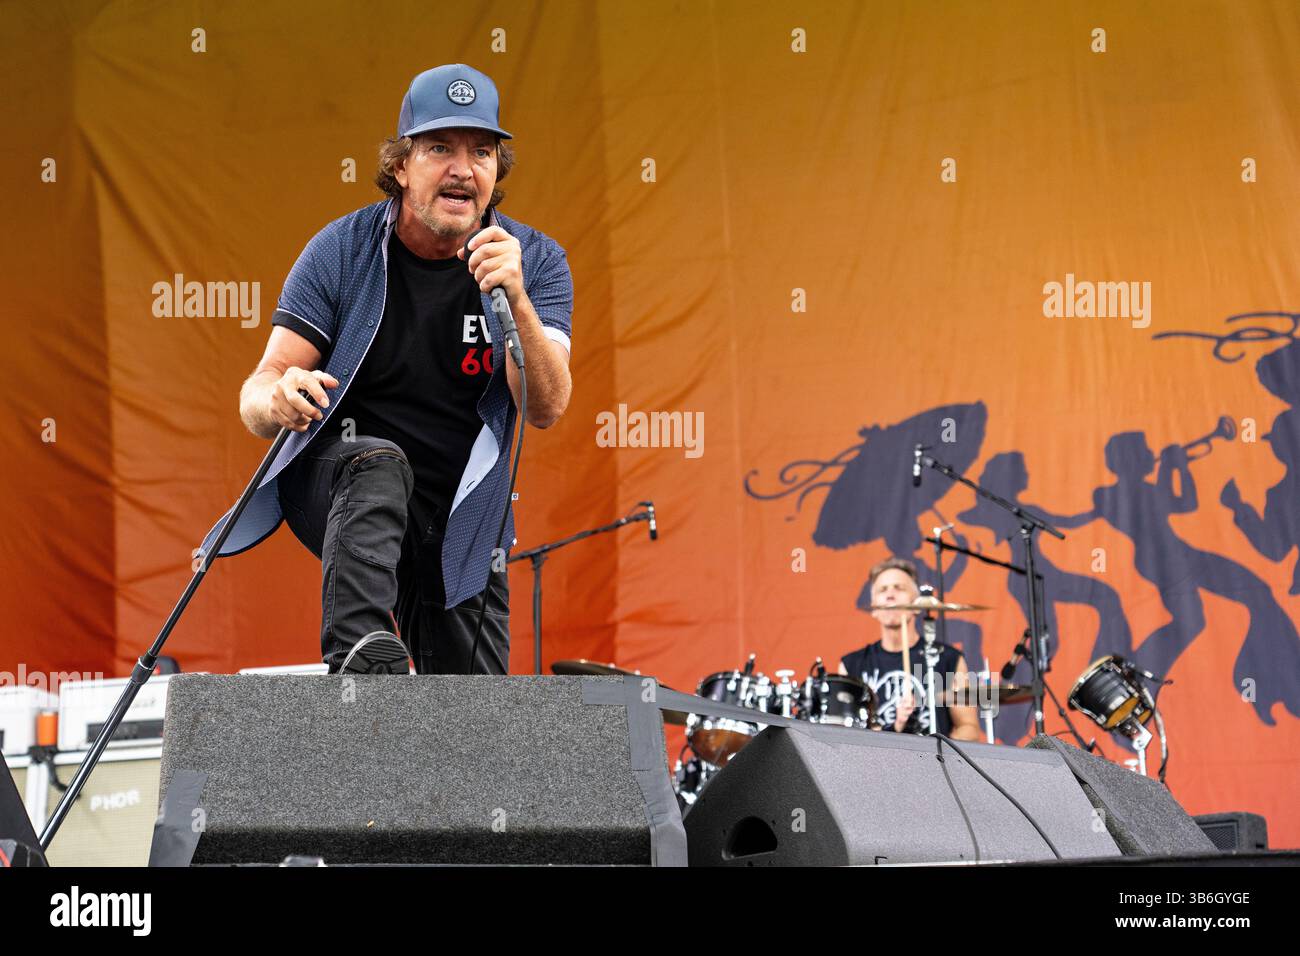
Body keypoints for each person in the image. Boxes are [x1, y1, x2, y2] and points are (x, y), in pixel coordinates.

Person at [201, 64, 574, 675]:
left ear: (496, 172)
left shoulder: (534, 260)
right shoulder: (341, 249)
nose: (463, 168)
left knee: (475, 737)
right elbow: (257, 395)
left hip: (461, 513)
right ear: (400, 166)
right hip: (345, 481)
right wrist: (279, 396)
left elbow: (546, 405)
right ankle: (363, 662)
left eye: (482, 151)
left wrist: (517, 300)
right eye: (439, 148)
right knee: (378, 463)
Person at [840, 557, 981, 739]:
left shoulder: (949, 659)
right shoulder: (852, 665)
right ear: (873, 608)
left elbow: (969, 728)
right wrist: (896, 727)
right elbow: (847, 735)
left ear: (917, 605)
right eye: (883, 590)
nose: (890, 594)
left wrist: (938, 756)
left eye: (899, 588)